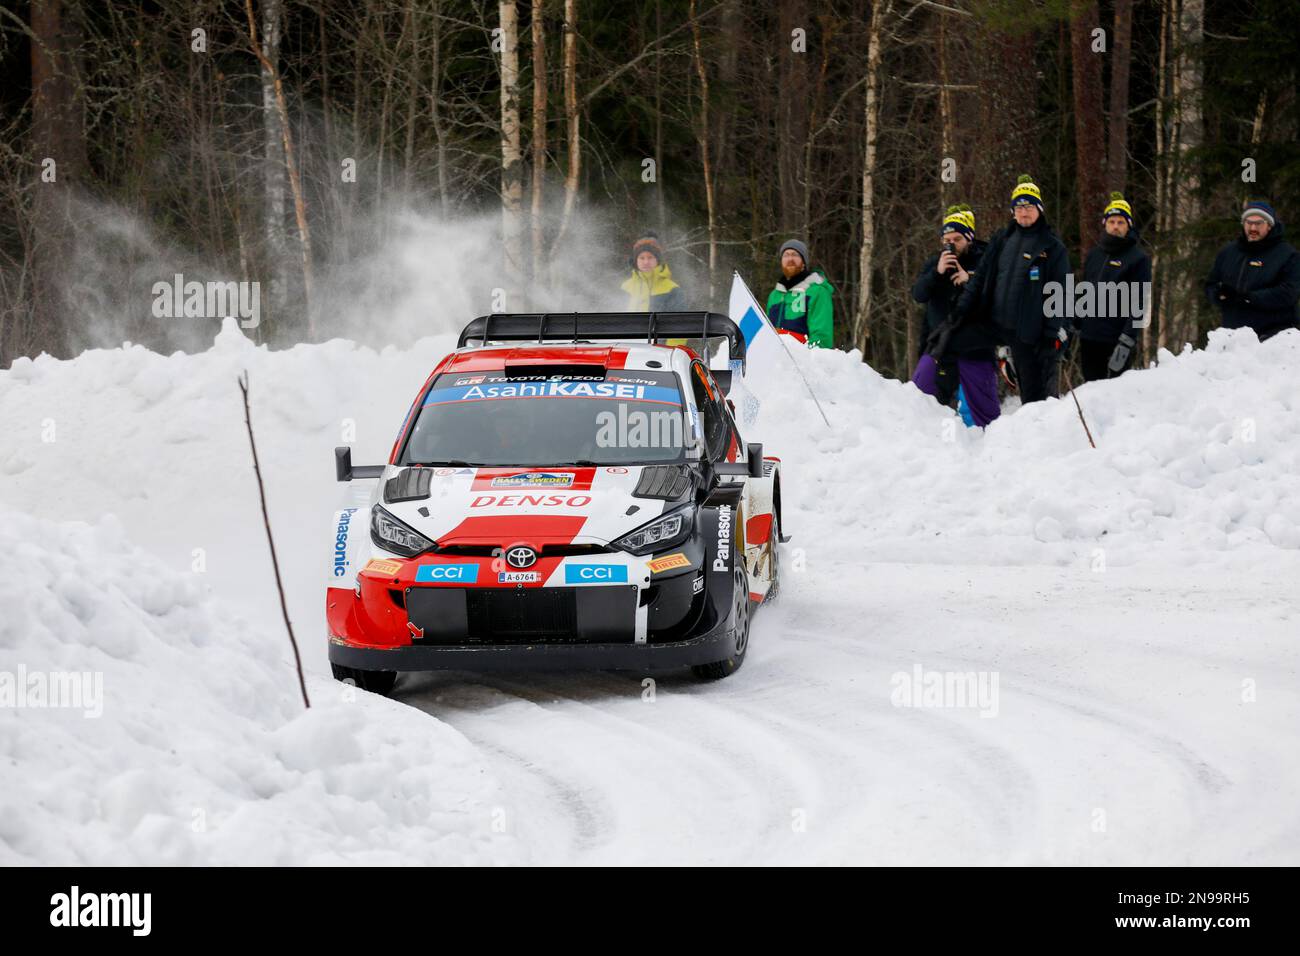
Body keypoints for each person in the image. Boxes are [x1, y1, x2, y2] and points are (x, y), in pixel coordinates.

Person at [955, 174, 1071, 403]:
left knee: (1039, 400)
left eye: (1028, 206)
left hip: (1035, 335)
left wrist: (1054, 333)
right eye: (1018, 206)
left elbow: (1063, 291)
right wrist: (965, 308)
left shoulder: (1052, 245)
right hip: (1001, 330)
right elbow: (983, 278)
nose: (1023, 211)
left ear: (1039, 209)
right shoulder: (1003, 240)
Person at [909, 204, 1000, 426]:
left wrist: (970, 280)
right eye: (946, 239)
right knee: (917, 404)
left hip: (975, 347)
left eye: (957, 239)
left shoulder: (985, 260)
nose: (951, 244)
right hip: (939, 347)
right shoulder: (935, 262)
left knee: (981, 419)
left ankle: (985, 454)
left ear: (969, 238)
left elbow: (997, 298)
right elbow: (918, 294)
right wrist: (937, 273)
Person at [1078, 192, 1151, 382]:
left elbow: (1140, 303)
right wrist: (1074, 325)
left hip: (1116, 340)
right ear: (1105, 224)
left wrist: (1127, 340)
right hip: (1090, 338)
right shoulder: (1094, 255)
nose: (1116, 227)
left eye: (1121, 222)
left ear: (1129, 225)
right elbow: (1083, 292)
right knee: (1091, 394)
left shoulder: (1138, 259)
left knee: (1114, 398)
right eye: (1112, 222)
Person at [1204, 199, 1300, 342]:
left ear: (1269, 226)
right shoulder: (1228, 252)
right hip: (1233, 337)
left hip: (1275, 337)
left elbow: (1289, 293)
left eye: (1259, 223)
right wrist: (1218, 294)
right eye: (1249, 223)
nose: (1253, 228)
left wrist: (1247, 297)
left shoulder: (1287, 255)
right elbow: (1211, 284)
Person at [765, 239, 834, 348]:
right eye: (786, 255)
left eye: (795, 255)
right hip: (776, 360)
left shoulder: (817, 291)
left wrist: (810, 360)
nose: (790, 259)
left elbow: (822, 336)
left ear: (804, 262)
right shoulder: (774, 295)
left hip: (802, 361)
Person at [621, 232, 686, 311]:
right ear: (635, 261)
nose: (646, 262)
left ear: (657, 260)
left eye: (650, 257)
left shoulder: (672, 290)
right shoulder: (625, 287)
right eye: (642, 258)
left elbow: (679, 321)